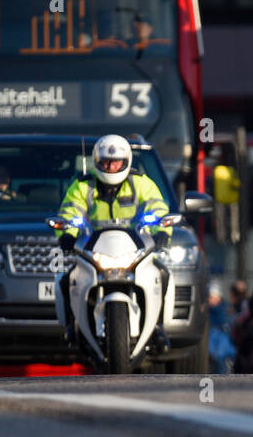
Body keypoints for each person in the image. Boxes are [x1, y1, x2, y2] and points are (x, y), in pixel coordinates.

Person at [54, 134, 170, 338]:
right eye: (106, 163)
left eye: (116, 163)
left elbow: (158, 207)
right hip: (94, 248)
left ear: (126, 162)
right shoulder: (83, 185)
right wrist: (67, 235)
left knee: (162, 274)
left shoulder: (140, 182)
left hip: (135, 247)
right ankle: (73, 326)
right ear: (97, 162)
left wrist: (161, 232)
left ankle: (158, 327)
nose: (111, 168)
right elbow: (69, 213)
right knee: (68, 278)